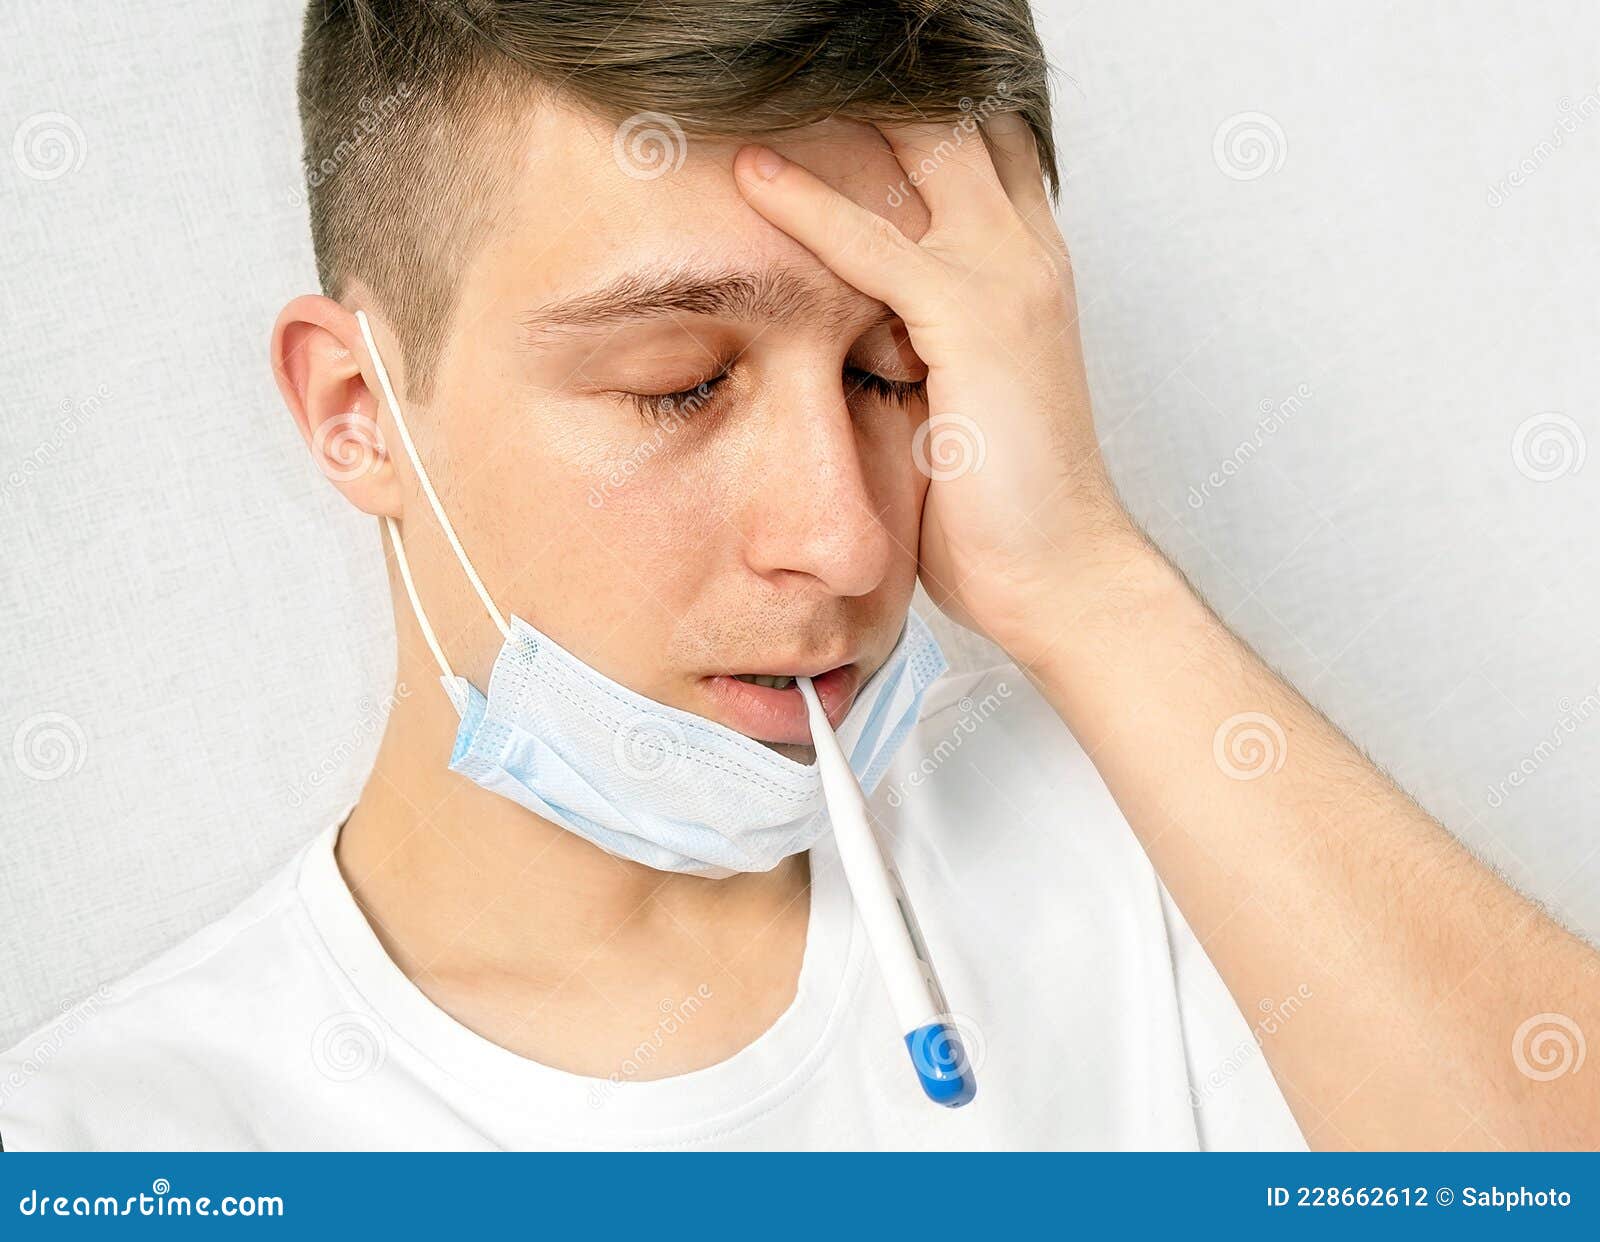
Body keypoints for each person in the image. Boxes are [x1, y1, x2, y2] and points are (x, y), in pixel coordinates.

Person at [2, 0, 1594, 1152]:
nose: (845, 536)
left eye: (896, 374)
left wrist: (1085, 582)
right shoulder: (106, 1148)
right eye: (681, 384)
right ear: (359, 411)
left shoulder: (1168, 851)